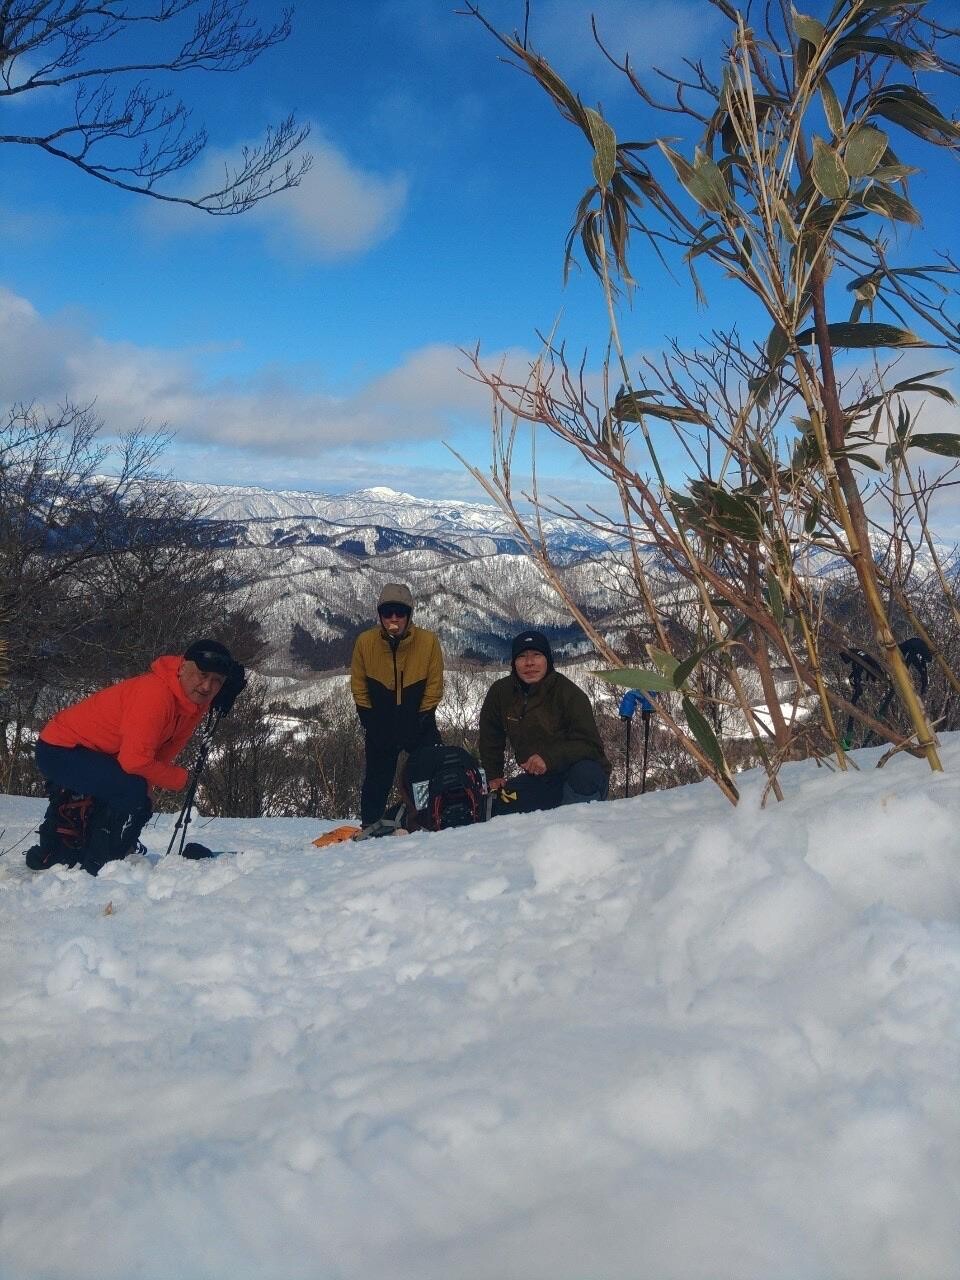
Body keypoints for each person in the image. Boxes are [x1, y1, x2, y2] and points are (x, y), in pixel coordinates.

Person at [27, 639, 242, 875]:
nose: (207, 686)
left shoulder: (190, 705)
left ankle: (90, 853)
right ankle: (100, 862)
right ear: (182, 667)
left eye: (217, 681)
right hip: (60, 750)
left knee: (135, 791)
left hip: (87, 752)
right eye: (202, 674)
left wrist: (149, 787)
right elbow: (134, 761)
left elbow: (159, 755)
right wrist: (177, 779)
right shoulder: (156, 695)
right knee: (131, 790)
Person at [478, 630, 611, 814]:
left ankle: (577, 830)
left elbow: (590, 745)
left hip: (580, 774)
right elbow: (490, 736)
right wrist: (494, 775)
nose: (529, 663)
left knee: (585, 776)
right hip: (541, 779)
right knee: (500, 806)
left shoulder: (569, 693)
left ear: (547, 660)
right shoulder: (501, 692)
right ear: (514, 662)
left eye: (536, 655)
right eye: (522, 656)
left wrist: (549, 759)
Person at [351, 582, 444, 828]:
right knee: (376, 781)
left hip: (418, 721)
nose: (394, 618)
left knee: (429, 773)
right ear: (379, 614)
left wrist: (424, 715)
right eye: (387, 612)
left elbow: (435, 683)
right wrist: (368, 718)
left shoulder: (428, 642)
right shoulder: (365, 642)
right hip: (381, 722)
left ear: (409, 615)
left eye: (400, 612)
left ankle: (430, 819)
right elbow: (359, 684)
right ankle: (370, 826)